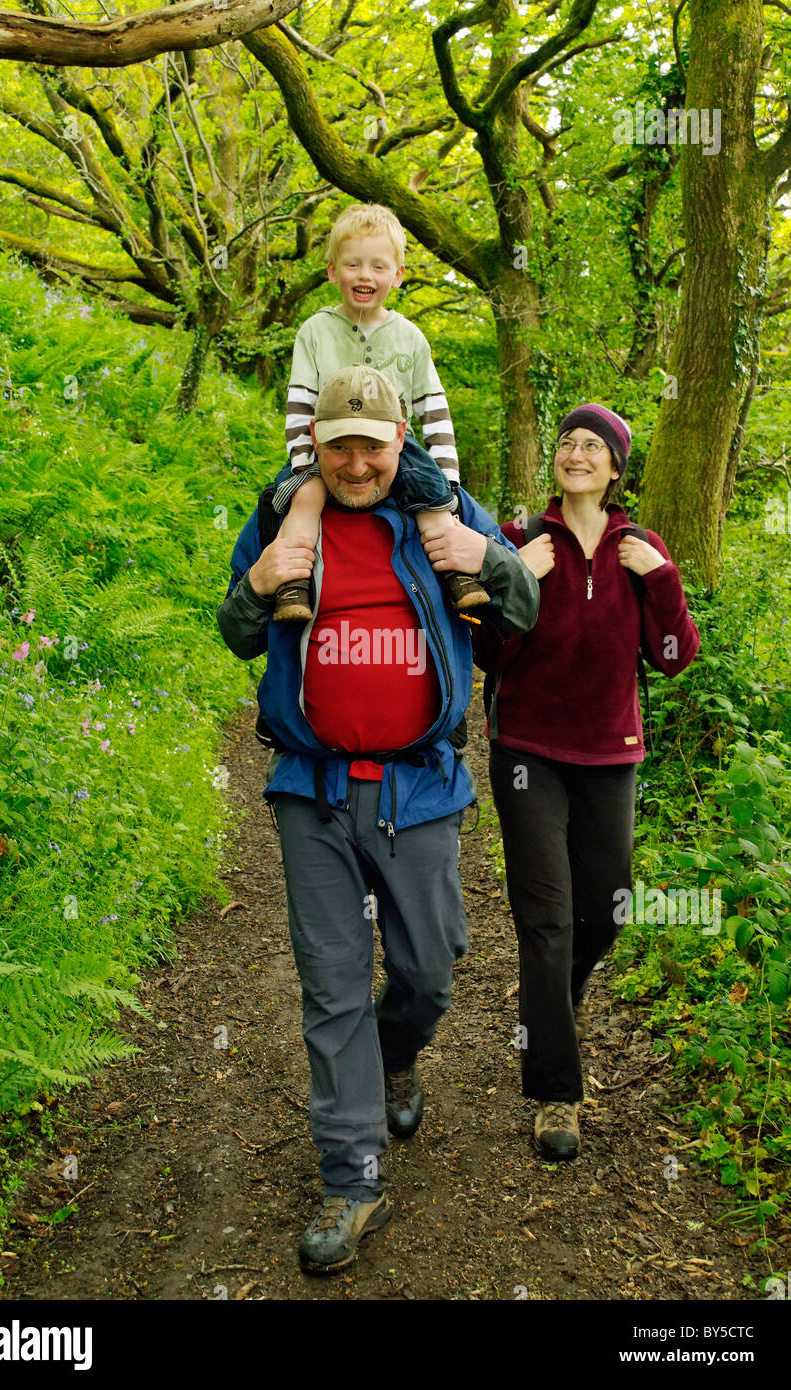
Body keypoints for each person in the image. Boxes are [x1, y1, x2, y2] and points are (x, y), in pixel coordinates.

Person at [217, 365, 539, 1272]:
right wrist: (259, 582)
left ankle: (396, 1054)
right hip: (310, 791)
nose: (356, 463)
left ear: (402, 441)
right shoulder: (287, 518)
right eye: (338, 446)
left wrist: (496, 561)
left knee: (431, 968)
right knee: (330, 990)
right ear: (314, 446)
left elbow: (524, 614)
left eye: (373, 444)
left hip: (420, 788)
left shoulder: (444, 513)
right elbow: (237, 629)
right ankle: (351, 1182)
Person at [472, 403, 700, 1162]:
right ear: (556, 463)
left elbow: (671, 655)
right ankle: (555, 1095)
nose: (576, 454)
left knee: (605, 913)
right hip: (528, 750)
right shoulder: (519, 543)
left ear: (613, 470)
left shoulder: (643, 549)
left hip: (610, 752)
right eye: (566, 443)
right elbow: (488, 658)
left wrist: (660, 579)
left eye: (592, 447)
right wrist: (516, 588)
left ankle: (549, 1010)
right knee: (546, 922)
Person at [270, 201, 490, 621]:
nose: (365, 276)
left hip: (397, 448)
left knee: (431, 502)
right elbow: (299, 404)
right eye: (353, 265)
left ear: (398, 274)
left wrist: (447, 479)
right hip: (328, 449)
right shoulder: (315, 331)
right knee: (305, 501)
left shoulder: (409, 337)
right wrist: (304, 466)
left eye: (378, 266)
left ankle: (456, 577)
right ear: (333, 270)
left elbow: (433, 408)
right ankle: (293, 583)